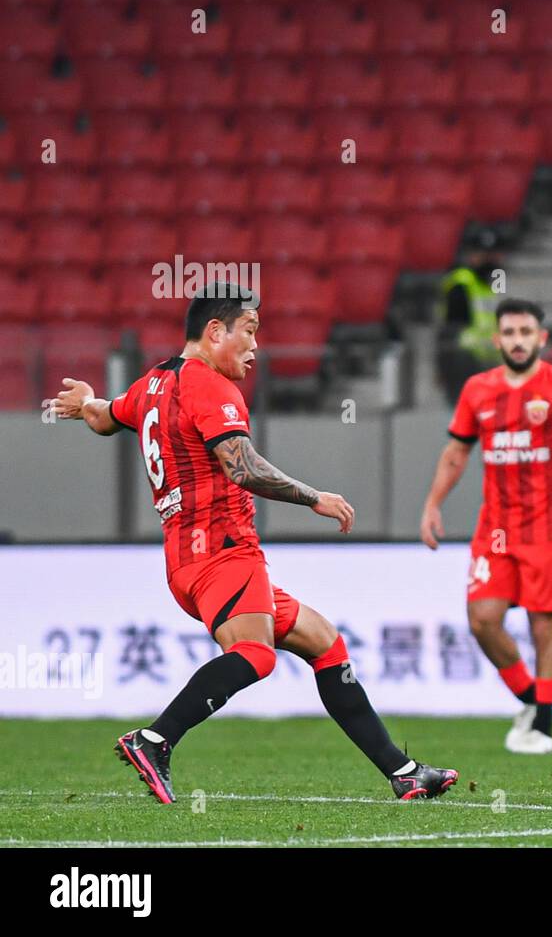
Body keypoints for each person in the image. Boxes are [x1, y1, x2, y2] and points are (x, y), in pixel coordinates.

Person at [52, 282, 458, 804]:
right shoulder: (211, 386)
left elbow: (105, 417)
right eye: (249, 330)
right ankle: (155, 738)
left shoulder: (150, 385)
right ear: (214, 330)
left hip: (189, 559)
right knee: (256, 655)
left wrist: (87, 399)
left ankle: (402, 772)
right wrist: (313, 496)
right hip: (223, 551)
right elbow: (240, 467)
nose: (254, 345)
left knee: (324, 643)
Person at [420, 298, 552, 754]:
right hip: (494, 527)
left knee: (543, 625)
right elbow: (456, 453)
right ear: (497, 340)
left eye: (525, 332)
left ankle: (542, 727)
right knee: (482, 619)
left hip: (548, 527)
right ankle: (533, 700)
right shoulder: (478, 390)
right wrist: (433, 504)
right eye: (509, 333)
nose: (517, 341)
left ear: (541, 338)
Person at [436, 228, 505, 402]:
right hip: (462, 364)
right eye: (482, 254)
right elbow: (451, 330)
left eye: (491, 254)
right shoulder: (461, 283)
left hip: (486, 366)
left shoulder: (489, 285)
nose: (488, 259)